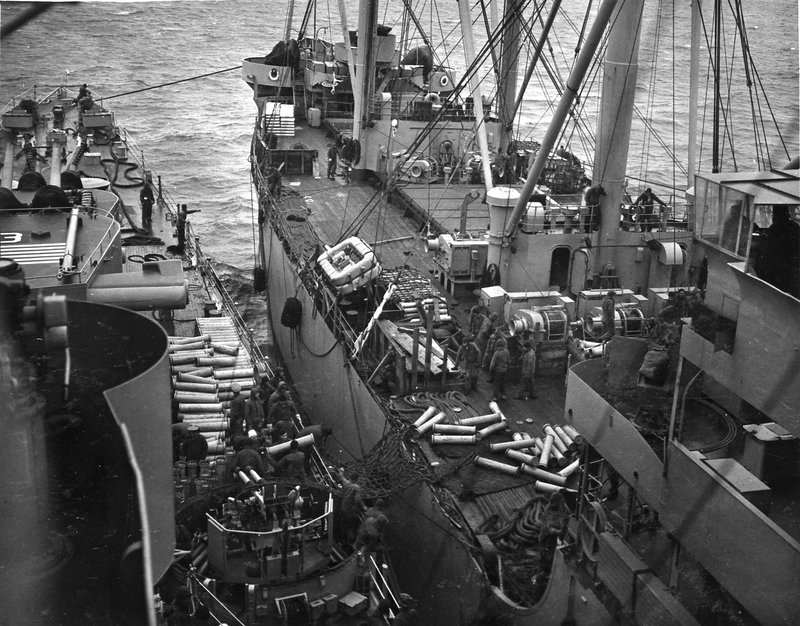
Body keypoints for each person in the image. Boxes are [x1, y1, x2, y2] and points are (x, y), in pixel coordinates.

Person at [755, 205, 800, 298]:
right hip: (793, 268)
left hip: (777, 268)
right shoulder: (795, 227)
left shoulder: (774, 228)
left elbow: (768, 250)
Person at [338, 468, 366, 544]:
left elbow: (341, 477)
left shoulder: (345, 483)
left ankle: (342, 540)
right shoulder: (356, 487)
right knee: (350, 527)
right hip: (351, 512)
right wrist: (363, 509)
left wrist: (341, 470)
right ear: (357, 479)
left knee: (343, 525)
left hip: (343, 508)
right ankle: (349, 543)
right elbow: (358, 500)